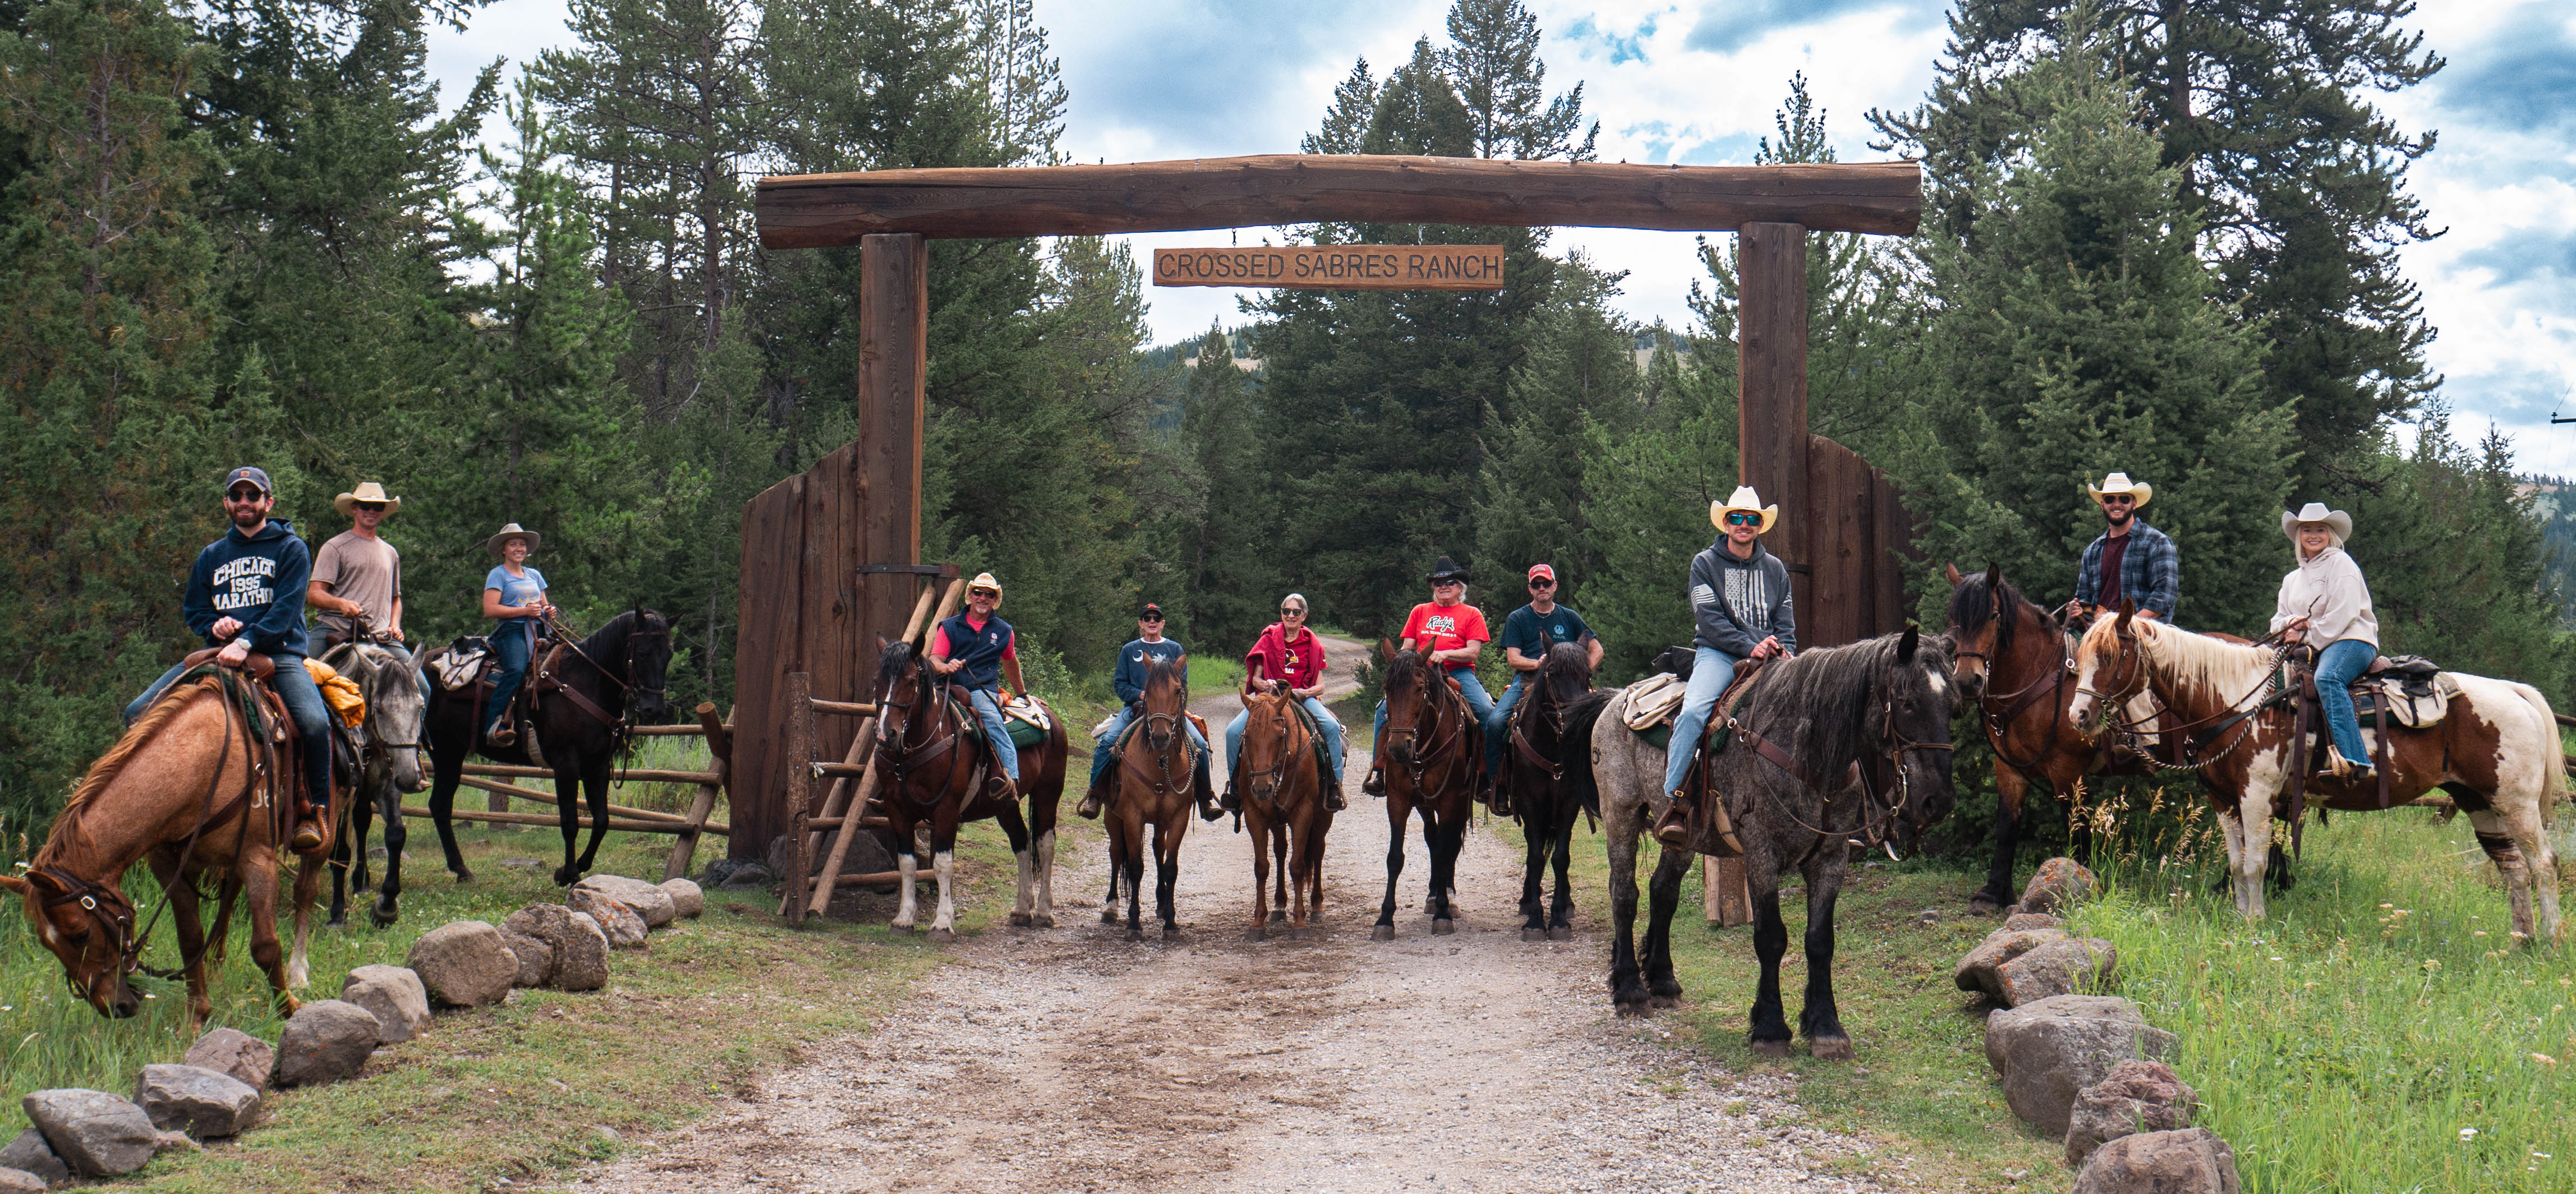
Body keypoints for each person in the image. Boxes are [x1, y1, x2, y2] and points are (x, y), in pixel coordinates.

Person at [127, 467, 331, 852]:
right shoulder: (212, 556)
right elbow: (195, 608)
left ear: (268, 502)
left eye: (252, 496)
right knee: (137, 712)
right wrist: (215, 627)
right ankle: (155, 808)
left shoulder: (291, 548)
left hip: (279, 653)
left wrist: (249, 638)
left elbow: (286, 609)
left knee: (315, 722)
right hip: (221, 653)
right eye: (236, 496)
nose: (244, 503)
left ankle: (314, 807)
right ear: (226, 504)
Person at [1654, 486, 1796, 847]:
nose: (1744, 524)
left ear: (1761, 525)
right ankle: (1676, 802)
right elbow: (1711, 622)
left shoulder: (1776, 569)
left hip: (1771, 656)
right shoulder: (1704, 563)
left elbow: (1786, 622)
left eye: (1752, 519)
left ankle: (1818, 807)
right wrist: (1752, 646)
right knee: (1693, 713)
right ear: (1727, 523)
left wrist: (1787, 653)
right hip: (1718, 654)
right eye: (1737, 518)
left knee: (1809, 711)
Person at [1361, 556, 1493, 797]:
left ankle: (1487, 776)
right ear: (1433, 587)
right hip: (1420, 673)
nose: (1444, 587)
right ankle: (1380, 769)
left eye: (1450, 582)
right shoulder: (1420, 611)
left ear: (1459, 587)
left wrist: (1446, 653)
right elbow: (1408, 646)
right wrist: (1403, 664)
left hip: (1458, 673)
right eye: (1438, 583)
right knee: (1383, 711)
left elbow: (1473, 651)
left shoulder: (1471, 614)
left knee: (1485, 712)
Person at [2270, 503, 2381, 780]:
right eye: (2307, 530)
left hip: (2351, 639)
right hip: (2310, 643)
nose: (2313, 535)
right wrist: (2290, 624)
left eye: (2320, 529)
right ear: (2299, 537)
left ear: (2330, 534)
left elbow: (2344, 612)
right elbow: (2277, 620)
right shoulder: (2292, 579)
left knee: (2328, 678)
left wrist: (2306, 634)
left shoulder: (2341, 563)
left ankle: (2356, 759)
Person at [1078, 602, 1216, 820]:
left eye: (1156, 618)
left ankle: (1205, 797)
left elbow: (1183, 685)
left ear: (1163, 623)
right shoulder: (1130, 650)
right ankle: (1095, 795)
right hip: (1135, 709)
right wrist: (1140, 695)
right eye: (1147, 618)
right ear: (1140, 624)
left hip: (1169, 712)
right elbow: (1120, 684)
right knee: (1109, 741)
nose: (1152, 622)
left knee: (1198, 743)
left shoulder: (1175, 650)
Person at [1485, 563, 1603, 794]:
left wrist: (1582, 671)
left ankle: (1595, 785)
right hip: (1528, 680)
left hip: (1569, 683)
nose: (1542, 588)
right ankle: (1496, 784)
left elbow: (1597, 649)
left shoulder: (1570, 617)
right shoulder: (1518, 618)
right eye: (1536, 584)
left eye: (1546, 583)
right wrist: (1537, 664)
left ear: (1554, 586)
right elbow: (1513, 658)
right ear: (1530, 589)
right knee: (1496, 722)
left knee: (1601, 723)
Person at [1223, 593, 1347, 812]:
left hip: (1301, 698)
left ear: (1304, 616)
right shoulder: (1268, 639)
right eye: (1286, 611)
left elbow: (1321, 686)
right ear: (1281, 614)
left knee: (1331, 726)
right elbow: (1255, 679)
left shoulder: (1313, 644)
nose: (1291, 616)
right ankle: (1235, 788)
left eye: (1296, 612)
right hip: (1269, 698)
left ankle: (1334, 784)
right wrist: (1266, 684)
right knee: (1233, 732)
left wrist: (1303, 692)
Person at [308, 481, 424, 694]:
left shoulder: (390, 553)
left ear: (383, 512)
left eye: (378, 507)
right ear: (354, 508)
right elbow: (314, 594)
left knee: (421, 689)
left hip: (380, 637)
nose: (371, 511)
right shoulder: (335, 547)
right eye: (365, 506)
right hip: (336, 629)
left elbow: (396, 599)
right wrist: (340, 603)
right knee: (303, 678)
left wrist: (395, 625)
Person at [927, 573, 1031, 800]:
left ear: (995, 600)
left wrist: (1022, 694)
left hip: (980, 690)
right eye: (978, 593)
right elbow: (935, 661)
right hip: (947, 687)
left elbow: (1011, 663)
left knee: (993, 721)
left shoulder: (1004, 631)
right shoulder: (949, 627)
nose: (983, 598)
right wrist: (945, 667)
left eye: (989, 594)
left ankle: (1010, 779)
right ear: (970, 596)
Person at [477, 523, 551, 746]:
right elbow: (490, 610)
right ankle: (495, 724)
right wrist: (524, 611)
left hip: (538, 629)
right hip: (511, 631)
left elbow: (544, 605)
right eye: (513, 544)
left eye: (522, 544)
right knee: (516, 670)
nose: (518, 548)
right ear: (504, 549)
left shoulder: (534, 575)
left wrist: (549, 611)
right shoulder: (497, 575)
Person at [2071, 472, 2177, 625]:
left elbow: (2164, 596)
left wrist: (2126, 625)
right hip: (2099, 633)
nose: (2116, 504)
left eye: (2124, 499)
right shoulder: (2092, 551)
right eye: (2109, 499)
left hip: (2145, 636)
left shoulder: (2157, 542)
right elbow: (2084, 600)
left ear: (2134, 503)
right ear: (2102, 505)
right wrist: (2078, 609)